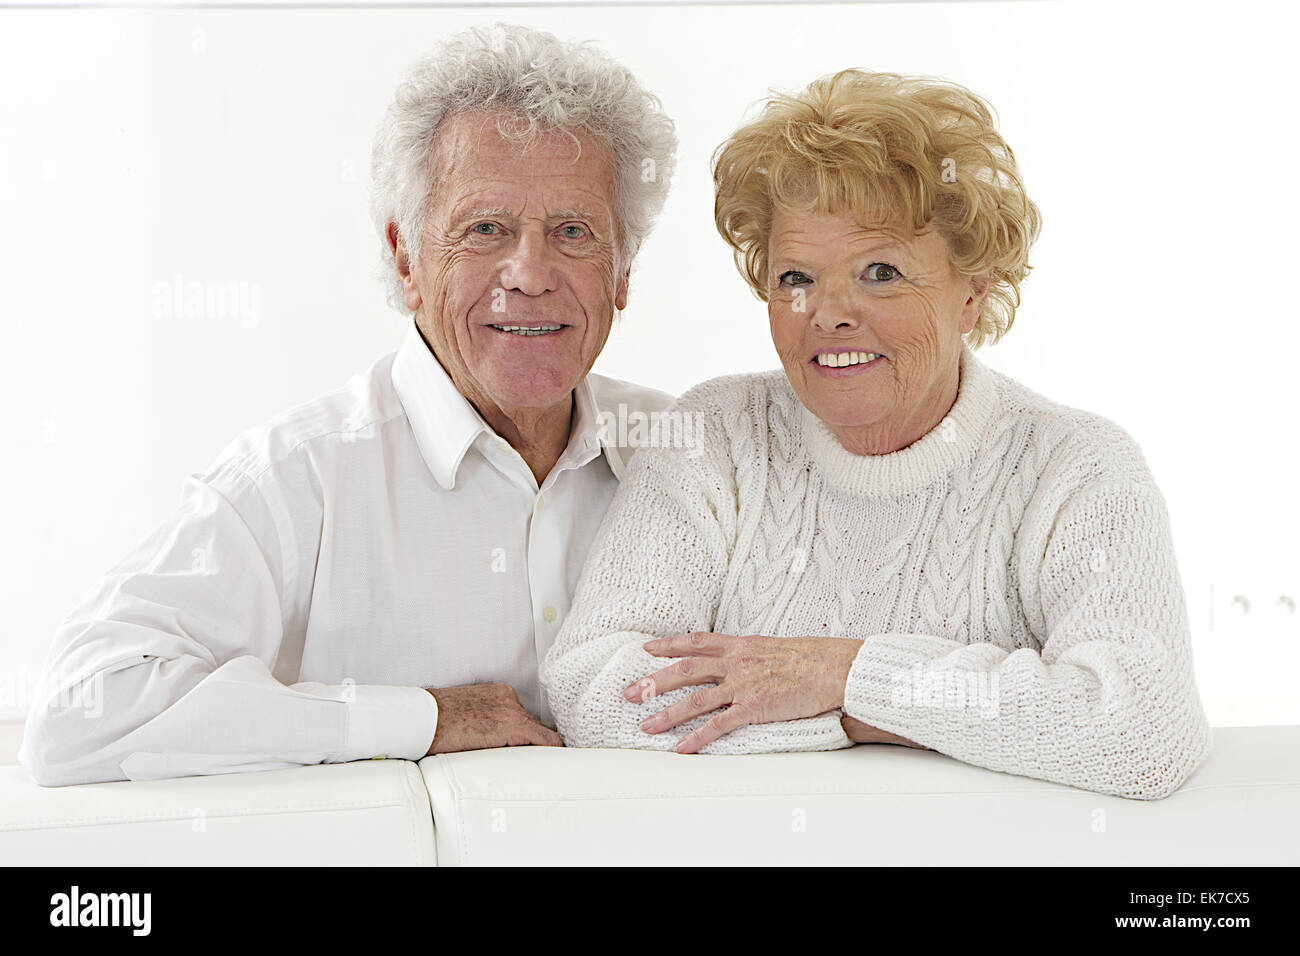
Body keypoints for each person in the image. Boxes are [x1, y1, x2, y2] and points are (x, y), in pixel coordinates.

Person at [19, 23, 677, 786]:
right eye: (486, 229)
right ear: (407, 259)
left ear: (623, 269)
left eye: (573, 232)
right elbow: (80, 710)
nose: (529, 273)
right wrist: (422, 718)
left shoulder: (696, 455)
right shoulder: (299, 478)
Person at [541, 69, 1213, 800]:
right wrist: (882, 718)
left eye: (881, 272)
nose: (828, 312)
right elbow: (592, 690)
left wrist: (842, 674)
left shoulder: (1077, 468)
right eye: (796, 275)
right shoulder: (713, 436)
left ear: (973, 293)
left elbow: (1144, 732)